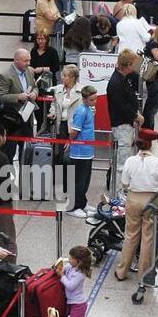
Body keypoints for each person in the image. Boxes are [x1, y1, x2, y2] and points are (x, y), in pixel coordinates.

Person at [115, 136, 158, 284]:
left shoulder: (130, 161)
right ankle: (143, 275)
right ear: (152, 145)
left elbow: (125, 183)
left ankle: (122, 271)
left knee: (130, 235)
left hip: (133, 199)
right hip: (152, 201)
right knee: (148, 238)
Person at [53, 245, 92, 317]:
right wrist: (60, 268)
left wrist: (62, 276)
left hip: (78, 305)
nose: (69, 260)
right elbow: (66, 267)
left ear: (78, 261)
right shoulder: (72, 267)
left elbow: (70, 286)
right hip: (75, 303)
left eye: (71, 258)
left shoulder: (80, 274)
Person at [107, 50, 143, 179]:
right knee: (122, 163)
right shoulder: (116, 82)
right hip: (122, 127)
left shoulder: (122, 78)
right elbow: (121, 105)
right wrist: (135, 115)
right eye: (133, 64)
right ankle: (118, 193)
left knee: (124, 161)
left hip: (125, 125)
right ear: (127, 64)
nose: (134, 67)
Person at [66, 85, 98, 218]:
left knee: (85, 180)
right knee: (78, 180)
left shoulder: (88, 109)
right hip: (79, 152)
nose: (94, 101)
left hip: (87, 151)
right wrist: (69, 141)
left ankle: (82, 203)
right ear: (84, 99)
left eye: (95, 99)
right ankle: (72, 207)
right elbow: (74, 131)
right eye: (91, 99)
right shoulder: (81, 111)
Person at [140, 24, 158, 130]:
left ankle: (149, 126)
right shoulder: (153, 45)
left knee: (154, 103)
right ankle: (147, 127)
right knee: (152, 103)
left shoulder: (156, 44)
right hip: (153, 76)